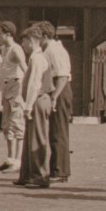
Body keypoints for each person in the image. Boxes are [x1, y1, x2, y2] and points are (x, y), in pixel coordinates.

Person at [14, 25, 54, 188]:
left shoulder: (37, 59)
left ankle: (40, 176)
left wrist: (28, 106)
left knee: (37, 138)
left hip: (38, 100)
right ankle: (27, 174)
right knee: (30, 137)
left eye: (24, 42)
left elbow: (34, 84)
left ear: (31, 41)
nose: (23, 46)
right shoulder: (36, 58)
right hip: (37, 100)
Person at [39, 21, 73, 183]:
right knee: (55, 130)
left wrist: (54, 97)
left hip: (59, 90)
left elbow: (63, 75)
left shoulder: (54, 50)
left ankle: (60, 170)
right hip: (56, 89)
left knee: (58, 131)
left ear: (45, 36)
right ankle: (56, 168)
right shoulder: (51, 49)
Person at [0, 19, 26, 172]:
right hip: (6, 88)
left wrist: (23, 92)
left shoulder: (16, 49)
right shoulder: (4, 49)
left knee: (17, 123)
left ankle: (18, 161)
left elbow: (25, 69)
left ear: (8, 34)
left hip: (15, 87)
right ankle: (10, 157)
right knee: (6, 125)